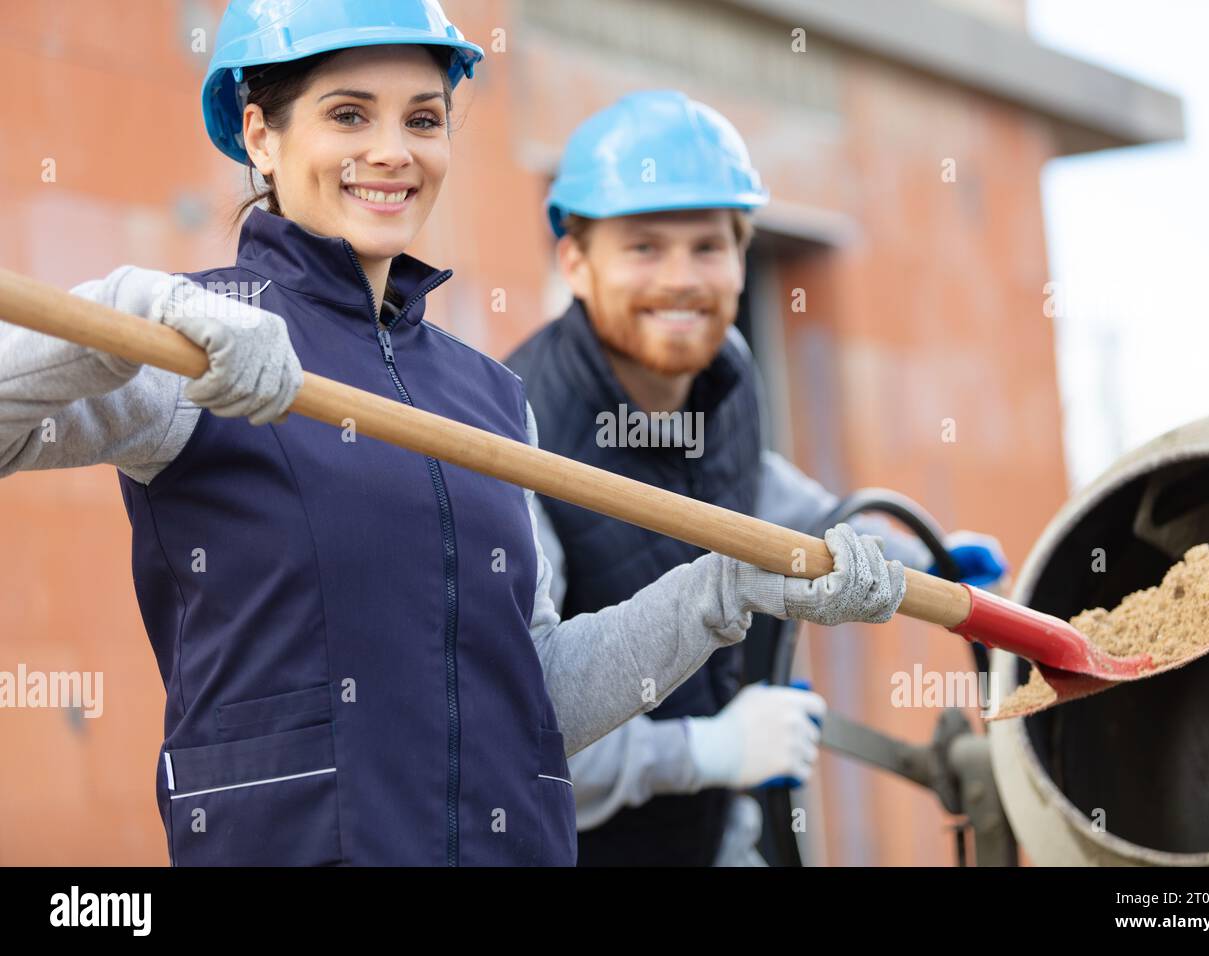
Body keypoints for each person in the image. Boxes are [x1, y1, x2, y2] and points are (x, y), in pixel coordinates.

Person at [0, 4, 906, 866]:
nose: (392, 152)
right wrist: (125, 311)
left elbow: (534, 690)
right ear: (261, 134)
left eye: (424, 119)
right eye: (349, 114)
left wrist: (724, 587)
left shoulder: (488, 400)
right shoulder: (189, 343)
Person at [507, 91, 1007, 866]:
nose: (681, 279)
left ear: (743, 258)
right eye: (643, 248)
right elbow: (517, 723)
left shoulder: (727, 378)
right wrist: (709, 750)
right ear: (574, 261)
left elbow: (748, 487)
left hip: (711, 840)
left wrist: (896, 552)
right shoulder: (519, 428)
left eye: (709, 247)